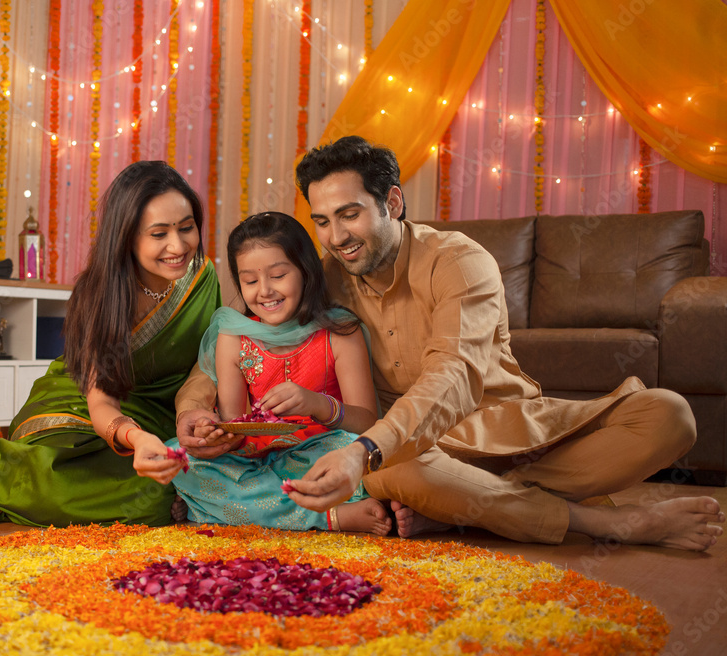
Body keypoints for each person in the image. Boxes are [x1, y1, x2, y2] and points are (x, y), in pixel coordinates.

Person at [176, 136, 724, 551]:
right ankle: (601, 522)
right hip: (413, 455)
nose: (336, 236)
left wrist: (361, 449)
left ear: (391, 202)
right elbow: (240, 331)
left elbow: (455, 374)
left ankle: (464, 505)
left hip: (507, 430)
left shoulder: (459, 261)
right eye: (321, 221)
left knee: (669, 414)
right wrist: (194, 411)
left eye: (349, 214)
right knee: (395, 472)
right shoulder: (325, 278)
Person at [0, 161, 220, 526]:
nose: (177, 245)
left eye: (187, 228)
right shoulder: (101, 293)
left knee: (157, 483)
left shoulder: (202, 278)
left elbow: (208, 360)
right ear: (128, 236)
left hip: (165, 415)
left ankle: (168, 486)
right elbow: (101, 400)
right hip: (82, 404)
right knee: (104, 486)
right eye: (159, 234)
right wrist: (136, 438)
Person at [169, 212, 391, 535]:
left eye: (278, 275)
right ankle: (331, 516)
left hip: (319, 452)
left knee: (354, 448)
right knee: (177, 454)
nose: (264, 291)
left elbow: (368, 424)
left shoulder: (340, 332)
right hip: (257, 458)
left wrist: (317, 404)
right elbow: (236, 427)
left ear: (305, 271)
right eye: (250, 281)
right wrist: (213, 432)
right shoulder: (233, 337)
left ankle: (223, 507)